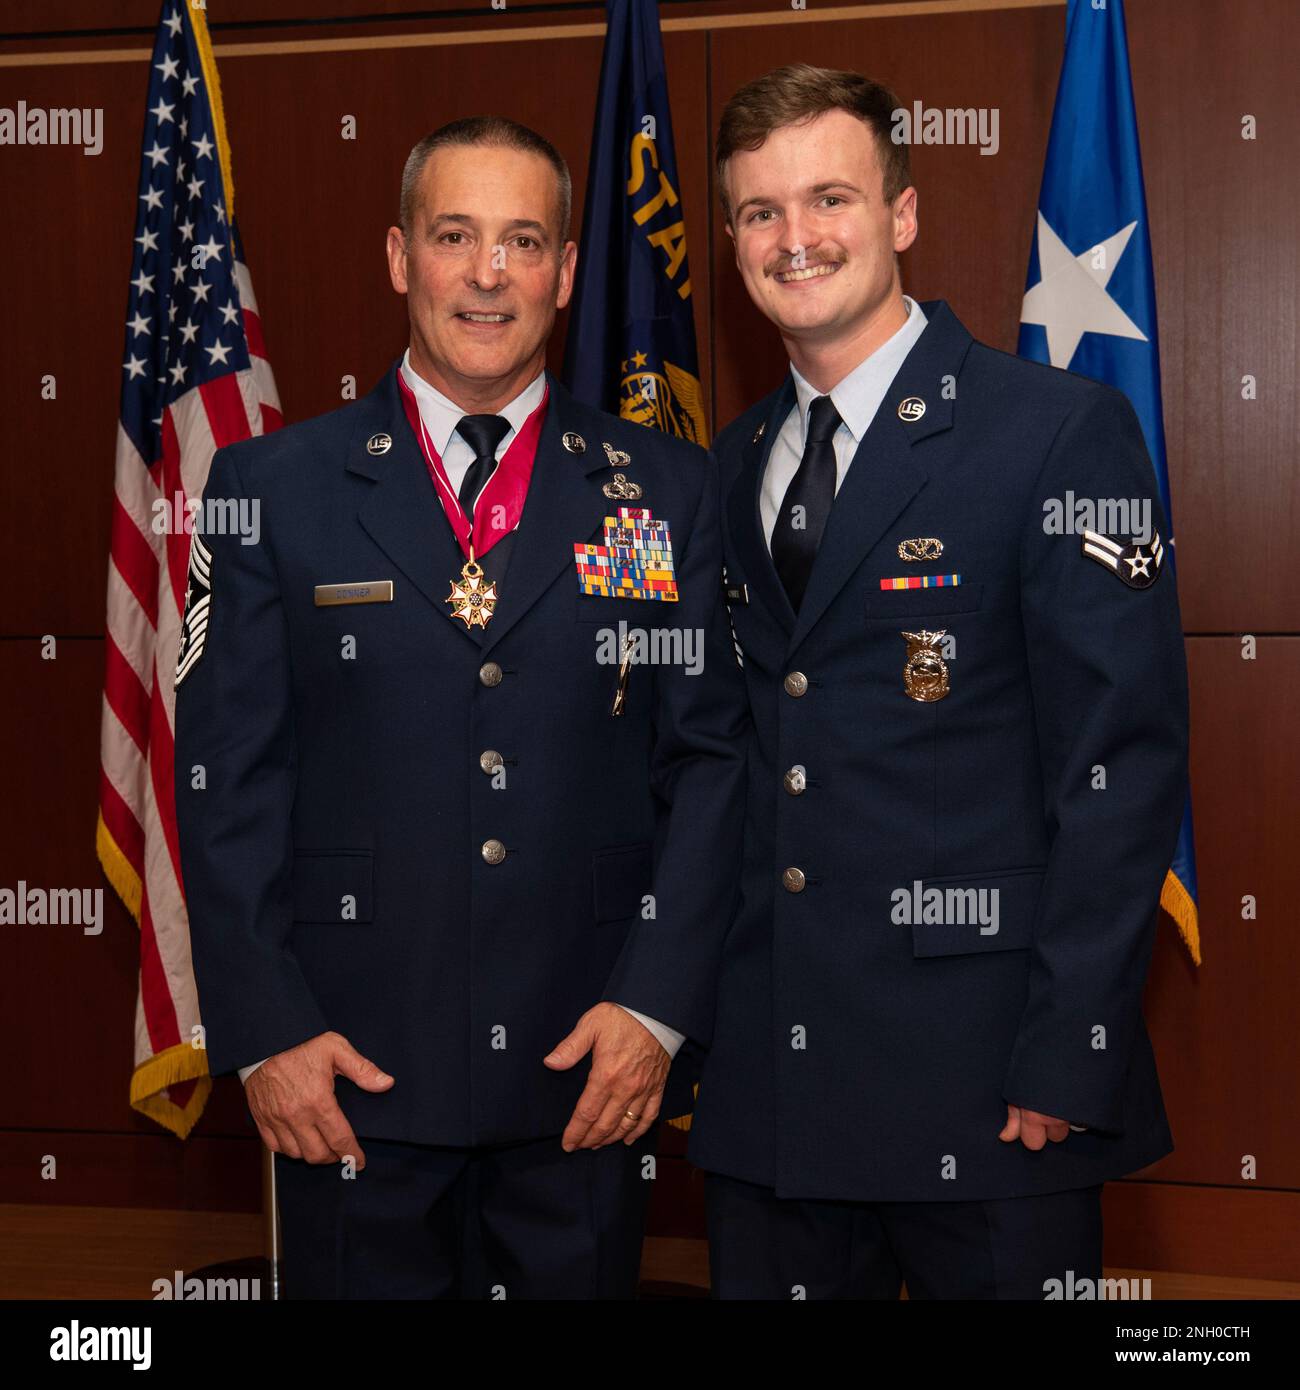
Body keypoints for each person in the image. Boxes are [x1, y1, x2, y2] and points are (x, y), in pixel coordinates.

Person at [174, 116, 747, 1299]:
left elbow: (707, 762)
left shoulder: (667, 492)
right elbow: (225, 778)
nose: (489, 275)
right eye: (455, 237)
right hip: (343, 1081)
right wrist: (266, 1029)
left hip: (588, 1075)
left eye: (524, 241)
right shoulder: (270, 491)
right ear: (399, 257)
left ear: (567, 272)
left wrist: (654, 1010)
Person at [687, 64, 1189, 1300]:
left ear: (902, 216)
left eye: (829, 200)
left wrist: (1069, 1054)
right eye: (759, 212)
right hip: (775, 1091)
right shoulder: (729, 460)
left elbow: (1119, 772)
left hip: (993, 1092)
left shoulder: (1058, 432)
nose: (795, 238)